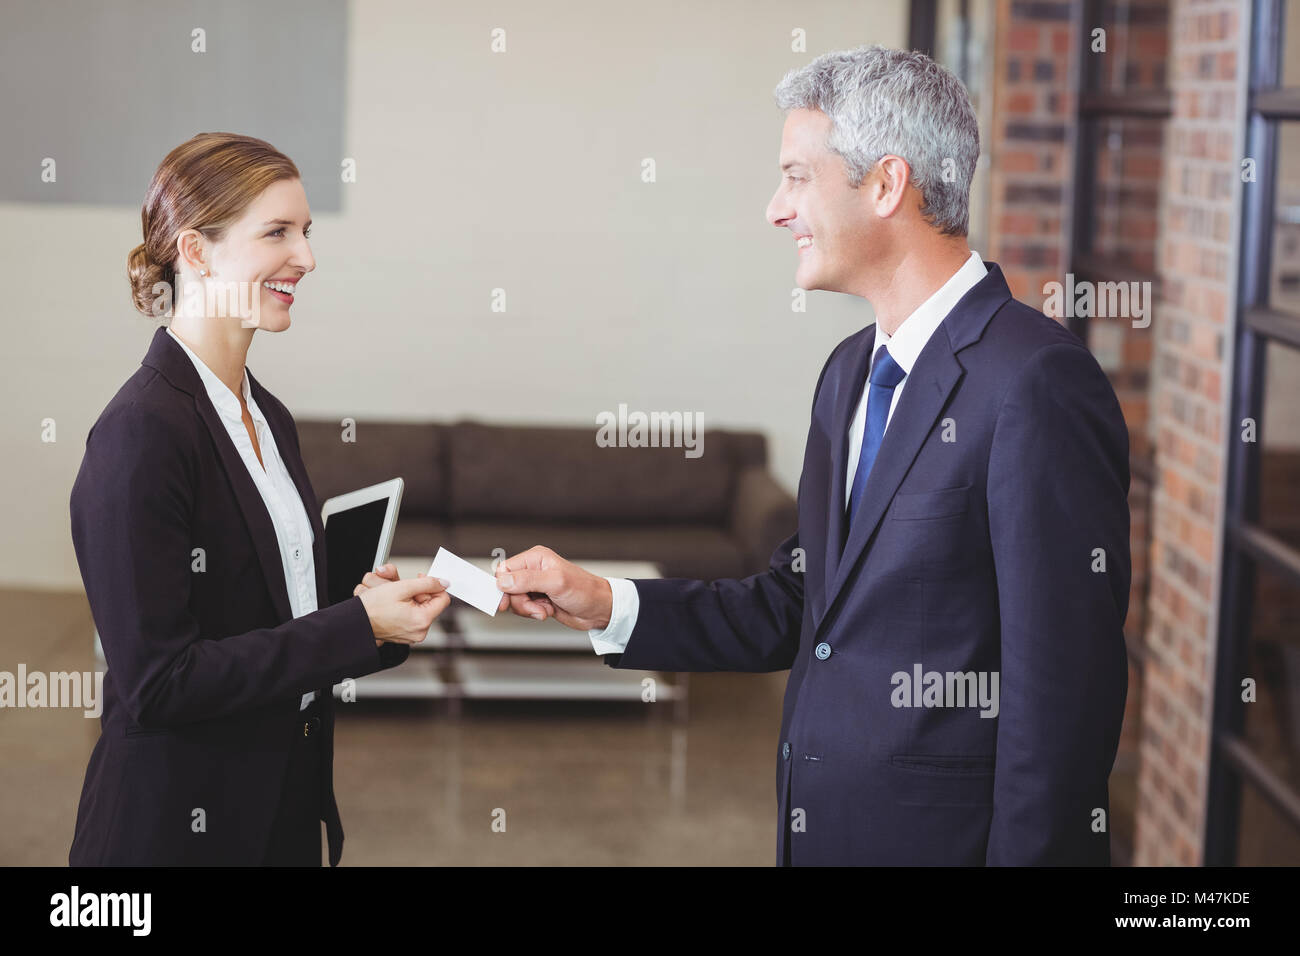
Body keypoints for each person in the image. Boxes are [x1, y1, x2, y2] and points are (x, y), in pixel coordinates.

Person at [485, 47, 1132, 865]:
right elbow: (801, 608)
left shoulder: (1036, 382)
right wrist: (604, 601)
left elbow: (1064, 700)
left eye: (796, 176)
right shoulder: (848, 374)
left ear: (886, 184)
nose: (774, 209)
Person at [68, 132, 449, 867]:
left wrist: (371, 624)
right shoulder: (140, 434)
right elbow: (159, 683)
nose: (306, 257)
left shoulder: (264, 414)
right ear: (198, 251)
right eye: (277, 232)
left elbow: (269, 621)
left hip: (278, 812)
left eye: (305, 232)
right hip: (175, 832)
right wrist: (351, 628)